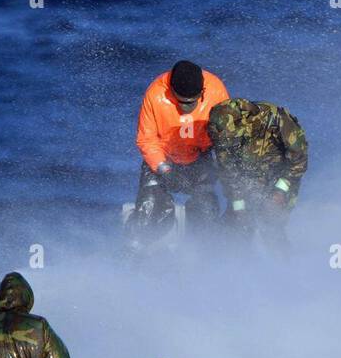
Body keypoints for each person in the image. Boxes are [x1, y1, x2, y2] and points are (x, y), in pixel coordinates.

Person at [126, 59, 230, 246]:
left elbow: (226, 136)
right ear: (171, 92)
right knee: (149, 211)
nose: (186, 107)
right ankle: (137, 240)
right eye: (181, 102)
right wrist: (164, 169)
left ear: (203, 91)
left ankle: (199, 254)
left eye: (192, 102)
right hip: (163, 158)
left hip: (200, 157)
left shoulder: (216, 90)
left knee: (207, 213)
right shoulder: (155, 93)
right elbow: (147, 140)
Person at [206, 97, 308, 254]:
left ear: (243, 123)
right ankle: (239, 269)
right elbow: (229, 176)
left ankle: (283, 267)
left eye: (233, 140)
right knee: (236, 227)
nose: (228, 146)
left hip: (281, 180)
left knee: (271, 224)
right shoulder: (222, 136)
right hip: (247, 181)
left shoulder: (275, 119)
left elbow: (298, 160)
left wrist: (279, 191)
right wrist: (239, 207)